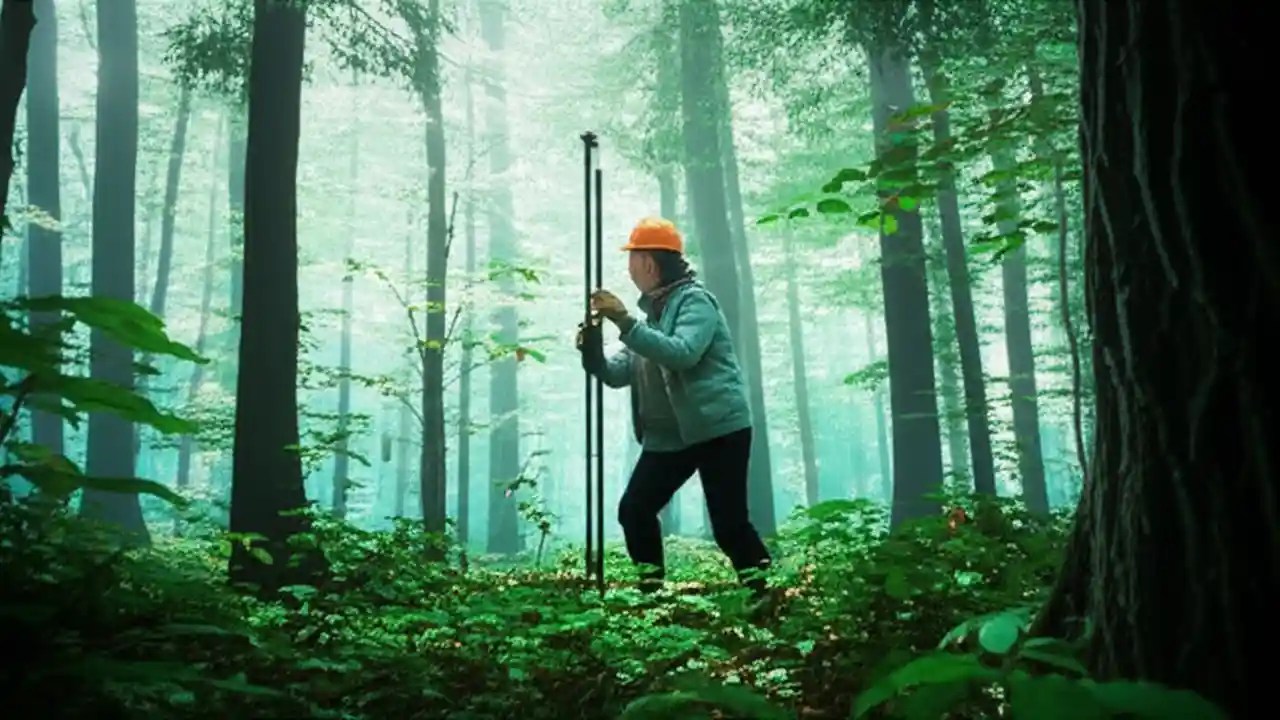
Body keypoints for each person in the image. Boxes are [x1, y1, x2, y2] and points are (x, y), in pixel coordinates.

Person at [576, 216, 772, 598]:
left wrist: (623, 319)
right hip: (670, 437)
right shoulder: (651, 315)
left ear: (649, 263)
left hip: (719, 429)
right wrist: (593, 352)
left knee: (730, 526)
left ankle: (764, 593)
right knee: (635, 510)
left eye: (632, 259)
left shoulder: (695, 302)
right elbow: (619, 372)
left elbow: (682, 354)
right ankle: (653, 597)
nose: (629, 268)